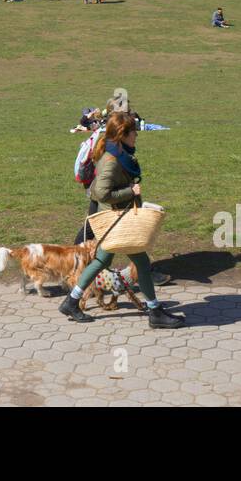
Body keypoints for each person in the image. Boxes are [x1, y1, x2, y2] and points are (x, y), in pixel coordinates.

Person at [59, 112, 185, 329]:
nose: (136, 134)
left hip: (115, 218)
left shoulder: (116, 152)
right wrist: (130, 191)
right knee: (142, 263)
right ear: (122, 134)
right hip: (116, 220)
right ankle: (154, 312)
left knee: (101, 261)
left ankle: (71, 301)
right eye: (133, 131)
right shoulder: (112, 160)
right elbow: (100, 192)